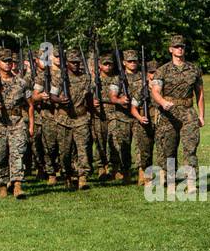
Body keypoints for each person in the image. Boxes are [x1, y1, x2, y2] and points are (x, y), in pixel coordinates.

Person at [150, 35, 204, 191]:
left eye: (182, 46)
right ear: (170, 49)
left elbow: (200, 94)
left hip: (188, 113)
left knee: (190, 147)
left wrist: (201, 115)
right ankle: (171, 182)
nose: (180, 49)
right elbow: (155, 91)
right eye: (177, 46)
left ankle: (191, 183)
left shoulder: (194, 69)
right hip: (169, 114)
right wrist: (162, 102)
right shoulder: (162, 70)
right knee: (168, 149)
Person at [0, 47, 33, 198]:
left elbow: (30, 105)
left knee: (18, 154)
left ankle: (17, 185)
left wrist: (30, 125)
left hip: (16, 123)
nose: (8, 64)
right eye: (4, 61)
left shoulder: (22, 83)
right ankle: (2, 185)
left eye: (10, 61)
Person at [52, 48, 93, 189]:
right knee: (65, 152)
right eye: (72, 62)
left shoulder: (85, 78)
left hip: (81, 118)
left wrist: (92, 114)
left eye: (77, 62)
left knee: (83, 149)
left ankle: (82, 177)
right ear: (66, 63)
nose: (75, 65)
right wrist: (59, 100)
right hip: (64, 119)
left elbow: (89, 98)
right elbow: (52, 95)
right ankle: (67, 175)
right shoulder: (59, 77)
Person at [99, 51, 133, 182]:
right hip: (100, 113)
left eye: (110, 64)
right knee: (101, 141)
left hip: (115, 114)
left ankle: (116, 168)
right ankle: (102, 167)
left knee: (116, 141)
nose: (108, 66)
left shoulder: (117, 78)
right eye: (105, 64)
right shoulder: (96, 79)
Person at [123, 50, 153, 185]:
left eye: (135, 61)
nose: (133, 63)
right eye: (130, 61)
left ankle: (143, 173)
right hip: (122, 115)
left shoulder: (144, 77)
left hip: (140, 114)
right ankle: (125, 172)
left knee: (142, 146)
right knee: (124, 145)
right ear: (124, 63)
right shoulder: (120, 77)